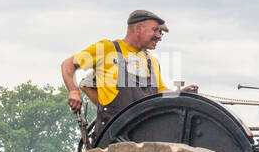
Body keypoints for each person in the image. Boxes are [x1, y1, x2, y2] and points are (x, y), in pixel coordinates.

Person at [61, 10, 198, 138]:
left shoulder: (152, 61)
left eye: (160, 32)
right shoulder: (107, 49)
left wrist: (181, 95)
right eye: (155, 30)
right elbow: (68, 64)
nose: (159, 36)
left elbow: (160, 93)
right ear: (138, 28)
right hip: (113, 138)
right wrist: (74, 92)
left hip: (145, 135)